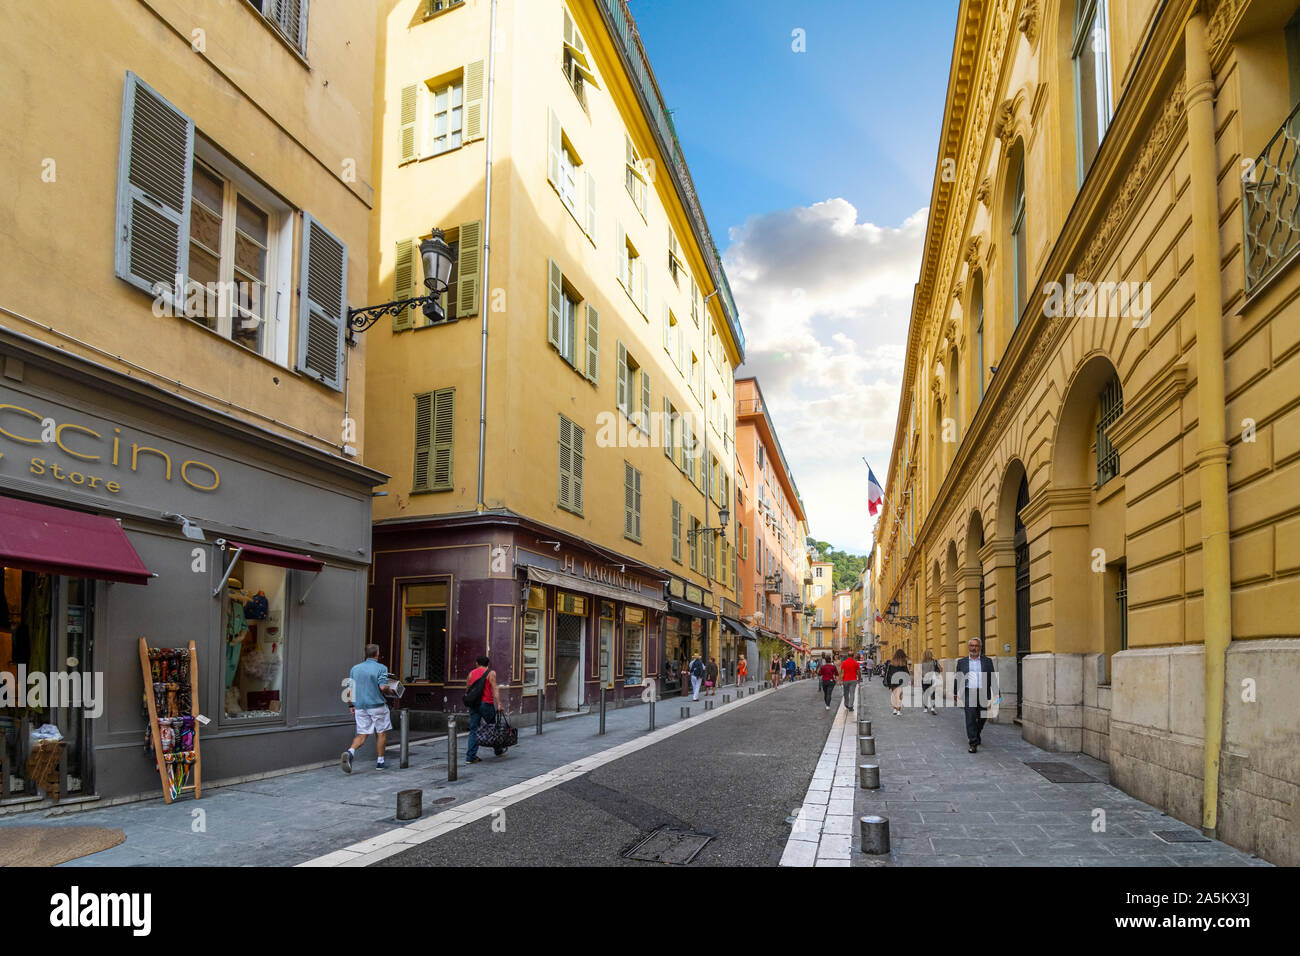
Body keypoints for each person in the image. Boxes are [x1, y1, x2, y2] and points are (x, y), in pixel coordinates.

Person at [342, 643, 391, 773]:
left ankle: (350, 751)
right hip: (377, 705)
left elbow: (349, 689)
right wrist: (390, 689)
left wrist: (351, 705)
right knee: (381, 733)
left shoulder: (355, 669)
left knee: (362, 734)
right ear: (377, 654)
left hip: (360, 706)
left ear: (366, 654)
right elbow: (382, 687)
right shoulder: (381, 668)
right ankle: (380, 762)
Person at [954, 637, 997, 752]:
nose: (974, 648)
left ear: (980, 647)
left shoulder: (987, 661)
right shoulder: (962, 662)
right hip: (969, 692)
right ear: (968, 647)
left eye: (976, 646)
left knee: (983, 716)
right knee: (971, 716)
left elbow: (992, 678)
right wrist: (955, 692)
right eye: (972, 646)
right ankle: (973, 742)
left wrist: (997, 693)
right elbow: (957, 678)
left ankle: (976, 733)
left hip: (983, 692)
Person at [465, 654, 505, 763]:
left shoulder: (471, 673)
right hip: (486, 703)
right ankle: (498, 750)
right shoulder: (491, 673)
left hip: (474, 704)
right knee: (493, 727)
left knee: (474, 729)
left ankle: (470, 757)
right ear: (488, 664)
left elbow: (468, 689)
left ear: (477, 663)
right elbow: (494, 688)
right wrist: (499, 703)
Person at [886, 649, 910, 716]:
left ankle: (894, 709)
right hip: (900, 681)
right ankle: (898, 710)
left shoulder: (892, 662)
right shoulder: (903, 662)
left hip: (893, 681)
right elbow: (906, 672)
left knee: (894, 695)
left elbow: (889, 673)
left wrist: (888, 681)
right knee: (899, 695)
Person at [920, 649, 942, 715]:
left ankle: (925, 708)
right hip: (932, 679)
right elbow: (940, 669)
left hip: (924, 679)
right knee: (932, 694)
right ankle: (932, 707)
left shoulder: (921, 662)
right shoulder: (934, 661)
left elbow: (919, 671)